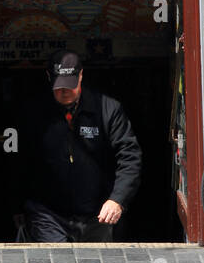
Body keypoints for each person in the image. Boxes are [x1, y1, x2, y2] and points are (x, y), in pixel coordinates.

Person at [18, 51, 141, 242]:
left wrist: (117, 199)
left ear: (81, 76)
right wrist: (20, 208)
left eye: (70, 85)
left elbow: (130, 157)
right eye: (59, 87)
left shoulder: (108, 109)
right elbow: (19, 162)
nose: (64, 91)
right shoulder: (34, 112)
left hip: (98, 214)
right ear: (49, 78)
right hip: (48, 215)